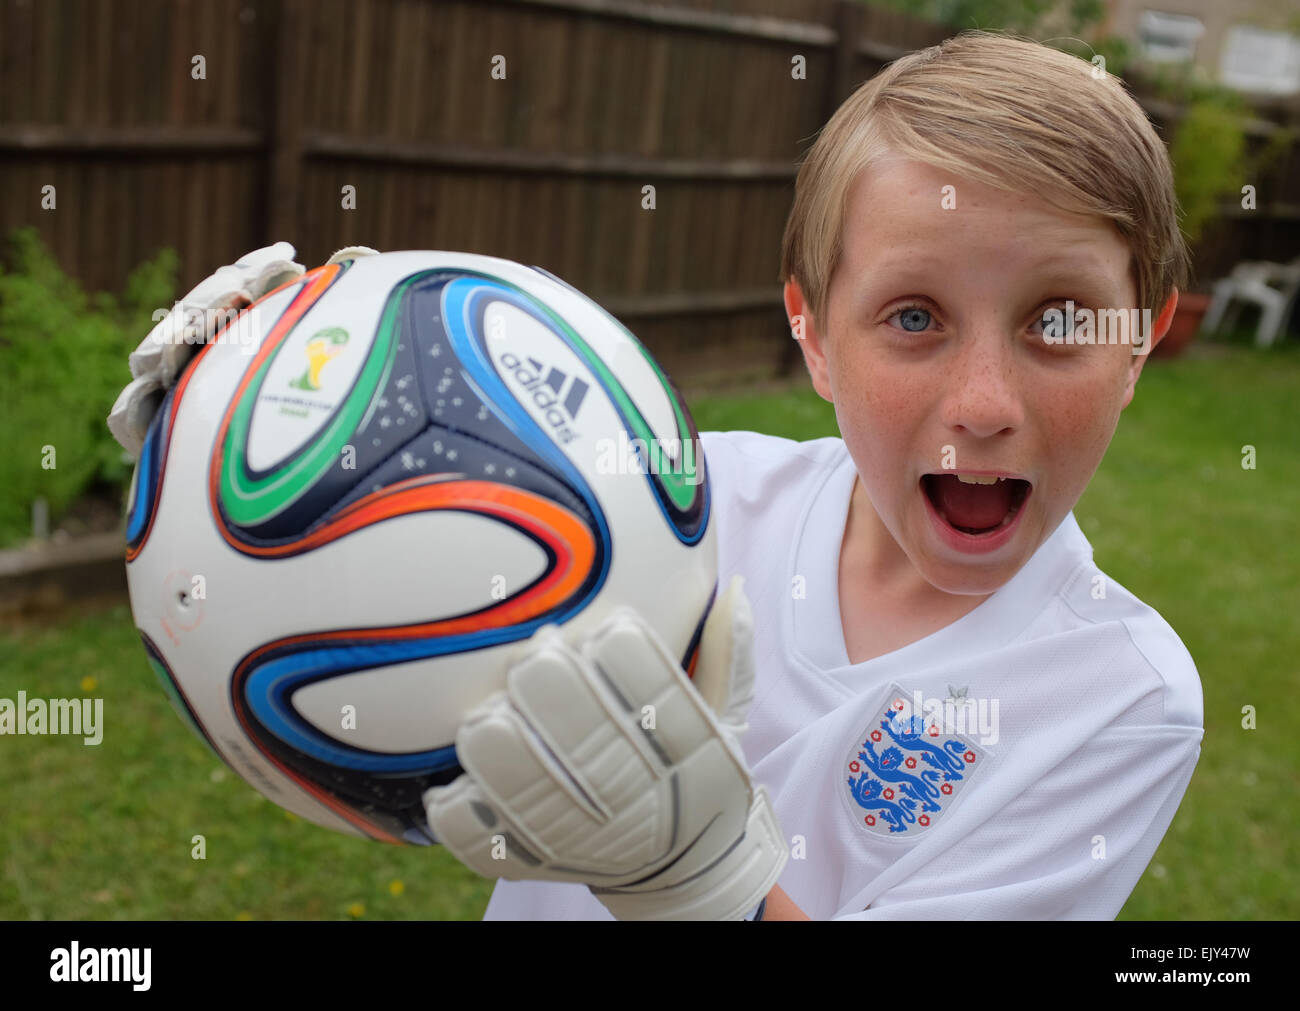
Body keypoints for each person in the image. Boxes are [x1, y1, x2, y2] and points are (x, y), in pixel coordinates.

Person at [109, 30, 1203, 921]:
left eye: (1058, 321)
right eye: (912, 317)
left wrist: (701, 886)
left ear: (1140, 341)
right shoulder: (681, 506)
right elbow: (401, 620)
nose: (983, 403)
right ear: (813, 335)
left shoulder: (1116, 701)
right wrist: (221, 442)